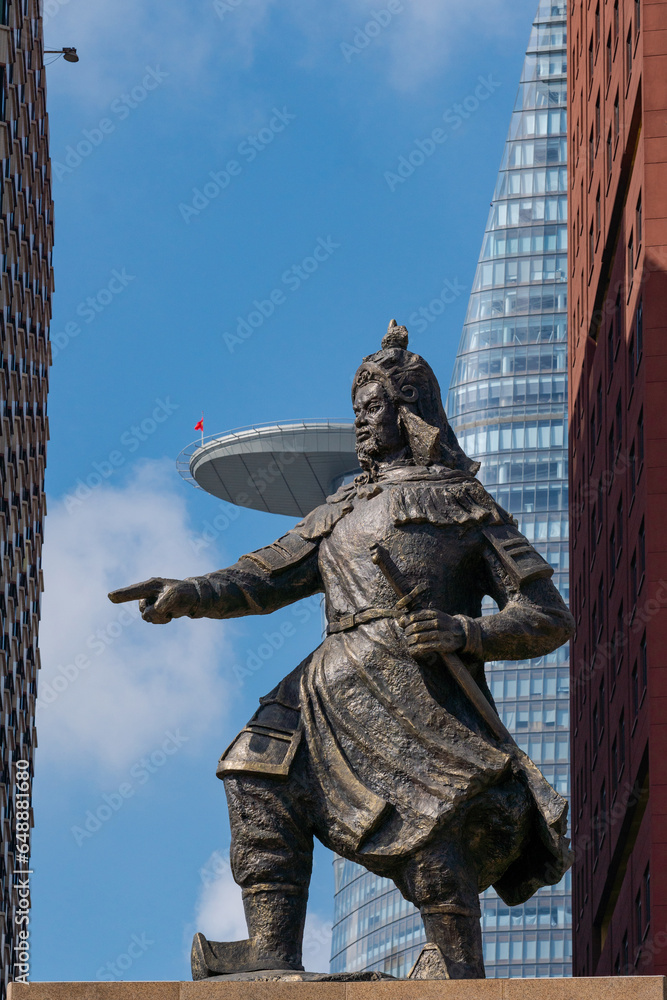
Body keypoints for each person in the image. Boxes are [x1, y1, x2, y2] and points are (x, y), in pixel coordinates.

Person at [110, 322, 574, 980]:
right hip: (325, 685)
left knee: (431, 822)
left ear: (410, 409)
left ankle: (454, 961)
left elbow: (546, 616)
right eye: (356, 411)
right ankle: (270, 942)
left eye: (374, 408)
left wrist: (464, 633)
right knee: (253, 770)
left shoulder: (468, 505)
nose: (361, 423)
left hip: (415, 688)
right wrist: (187, 591)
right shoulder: (340, 507)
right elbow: (262, 577)